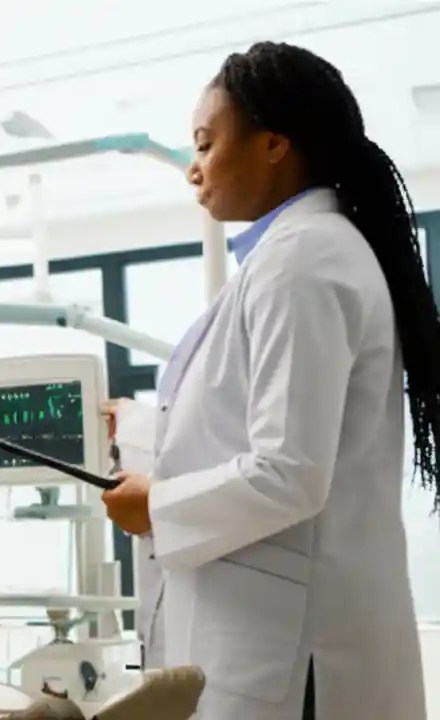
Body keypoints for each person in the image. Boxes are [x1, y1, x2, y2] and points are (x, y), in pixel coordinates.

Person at [100, 42, 432, 719]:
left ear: (273, 144)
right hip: (286, 641)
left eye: (205, 143)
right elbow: (246, 427)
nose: (194, 170)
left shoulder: (303, 260)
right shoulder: (297, 257)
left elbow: (290, 472)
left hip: (299, 659)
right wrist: (136, 427)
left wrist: (156, 508)